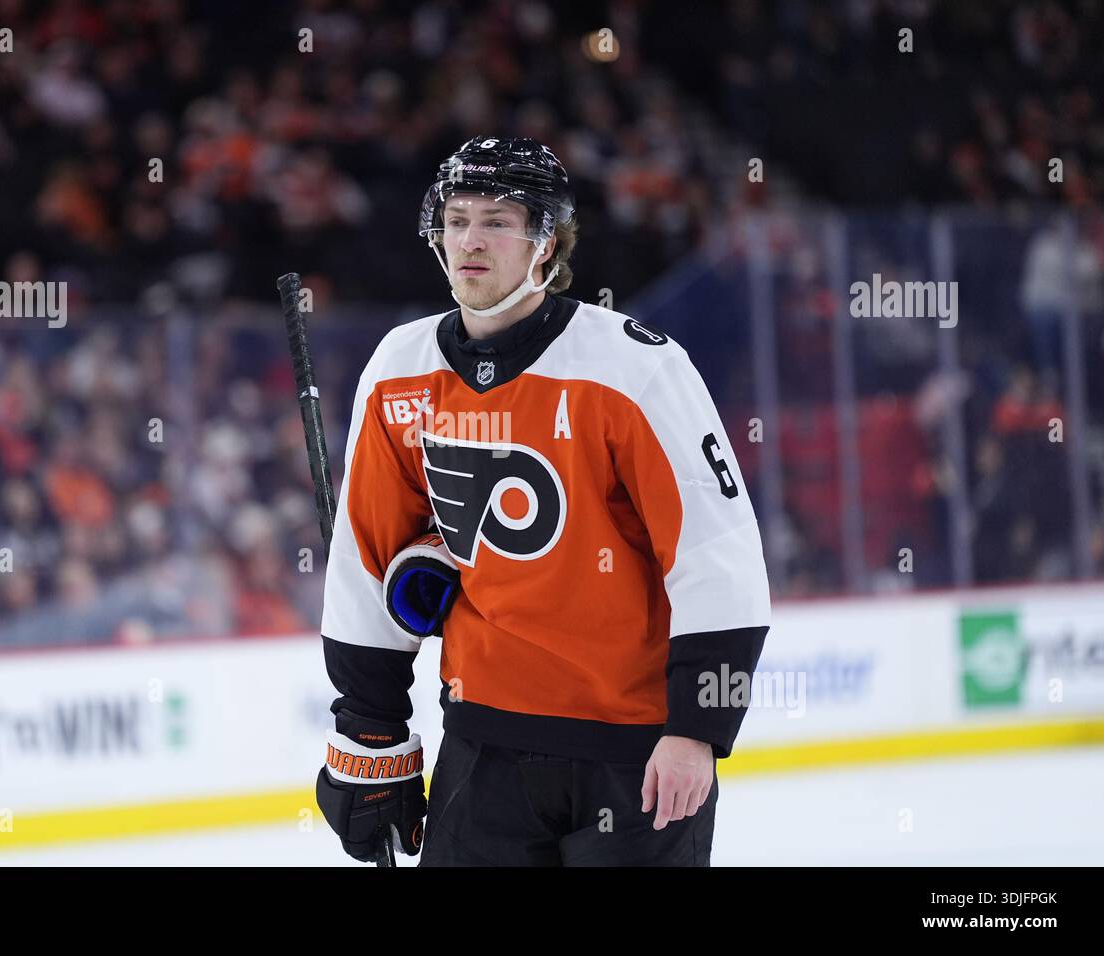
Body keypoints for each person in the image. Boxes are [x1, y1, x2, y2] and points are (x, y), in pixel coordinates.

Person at [315, 136, 771, 866]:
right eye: (457, 218)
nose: (470, 239)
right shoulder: (400, 370)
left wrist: (698, 730)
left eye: (497, 220)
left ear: (547, 243)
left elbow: (717, 555)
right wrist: (370, 733)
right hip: (483, 748)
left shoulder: (633, 367)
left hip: (635, 752)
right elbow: (365, 560)